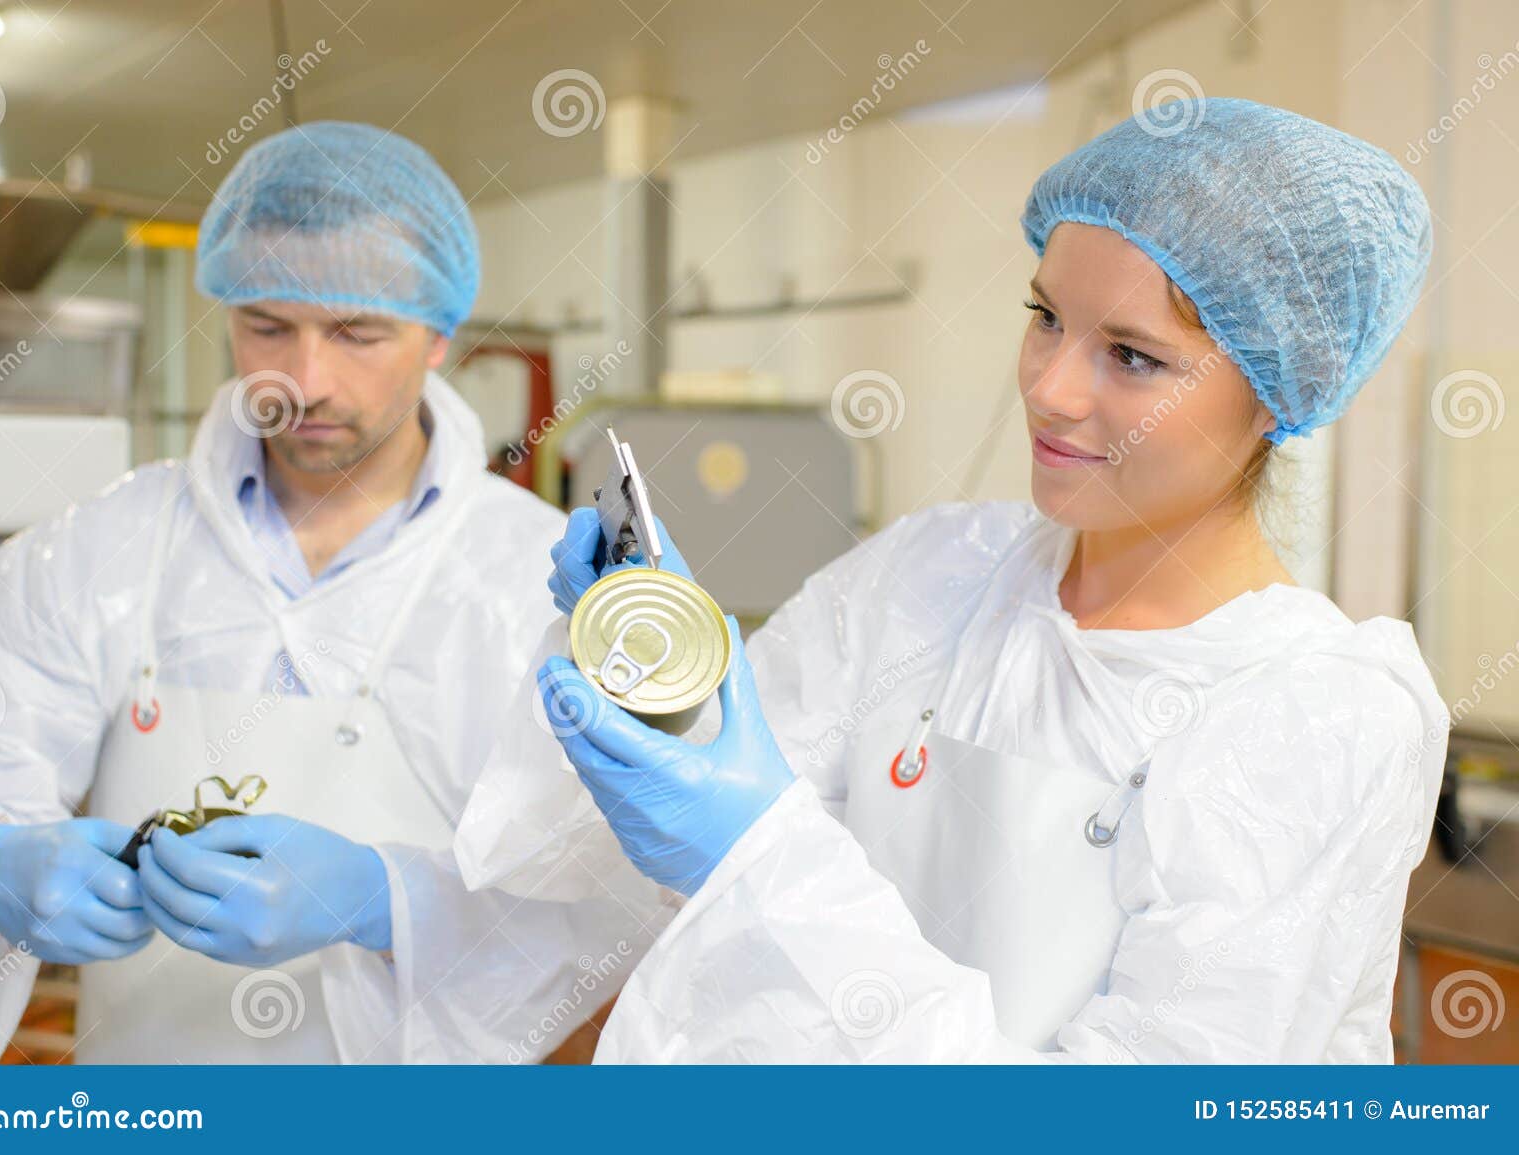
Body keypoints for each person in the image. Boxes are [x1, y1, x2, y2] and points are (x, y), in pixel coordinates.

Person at [521, 98, 1448, 1061]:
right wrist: (666, 676)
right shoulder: (933, 571)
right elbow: (720, 832)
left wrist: (752, 858)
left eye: (1132, 356)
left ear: (1277, 394)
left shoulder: (1316, 717)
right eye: (1045, 317)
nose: (1049, 388)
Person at [0, 121, 664, 1064]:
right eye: (268, 325)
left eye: (357, 331)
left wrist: (382, 900)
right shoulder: (100, 552)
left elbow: (619, 909)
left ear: (440, 335)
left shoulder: (532, 584)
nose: (304, 380)